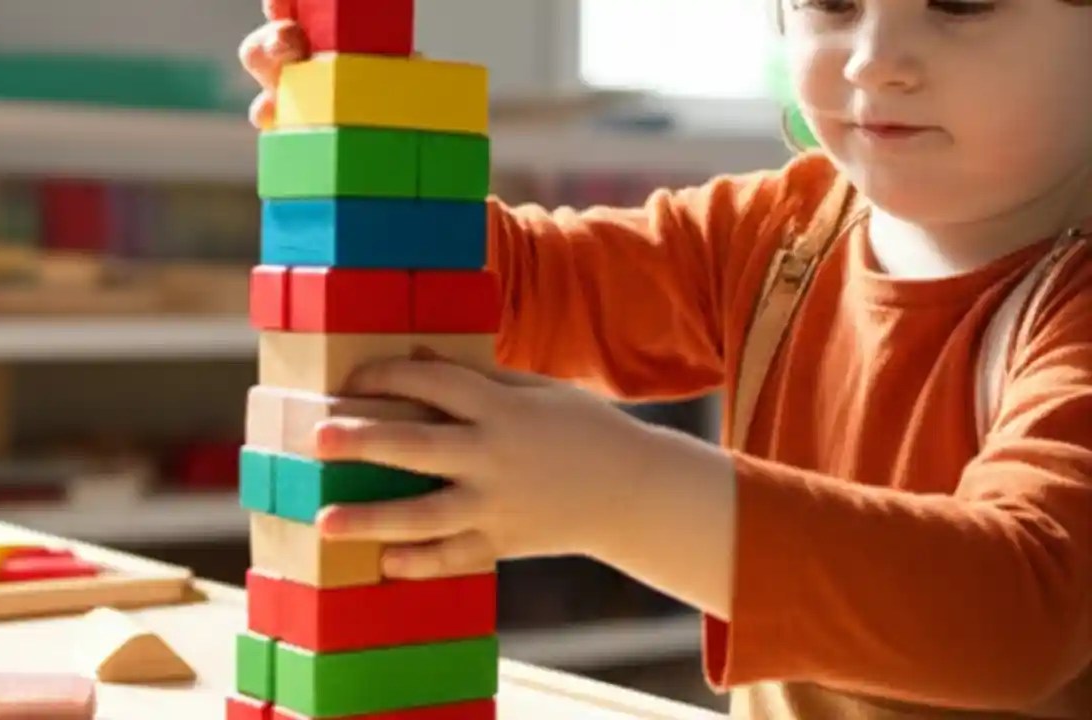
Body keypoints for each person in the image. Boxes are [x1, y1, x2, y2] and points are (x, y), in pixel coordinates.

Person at [238, 1, 1092, 717]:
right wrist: (367, 128)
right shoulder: (774, 230)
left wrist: (621, 494)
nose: (873, 61)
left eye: (963, 2)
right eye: (833, 1)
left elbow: (1020, 608)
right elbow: (522, 284)